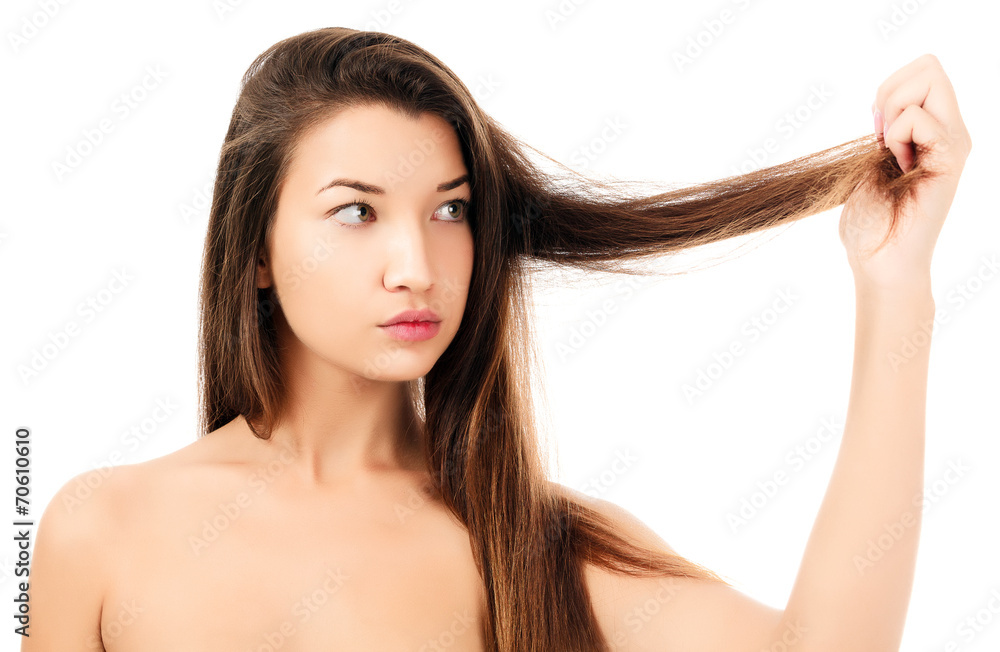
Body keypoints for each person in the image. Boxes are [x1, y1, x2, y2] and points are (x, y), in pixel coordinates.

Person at [23, 27, 970, 652]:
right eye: (356, 212)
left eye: (450, 210)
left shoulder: (532, 545)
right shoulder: (98, 529)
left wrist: (898, 286)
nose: (416, 264)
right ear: (256, 249)